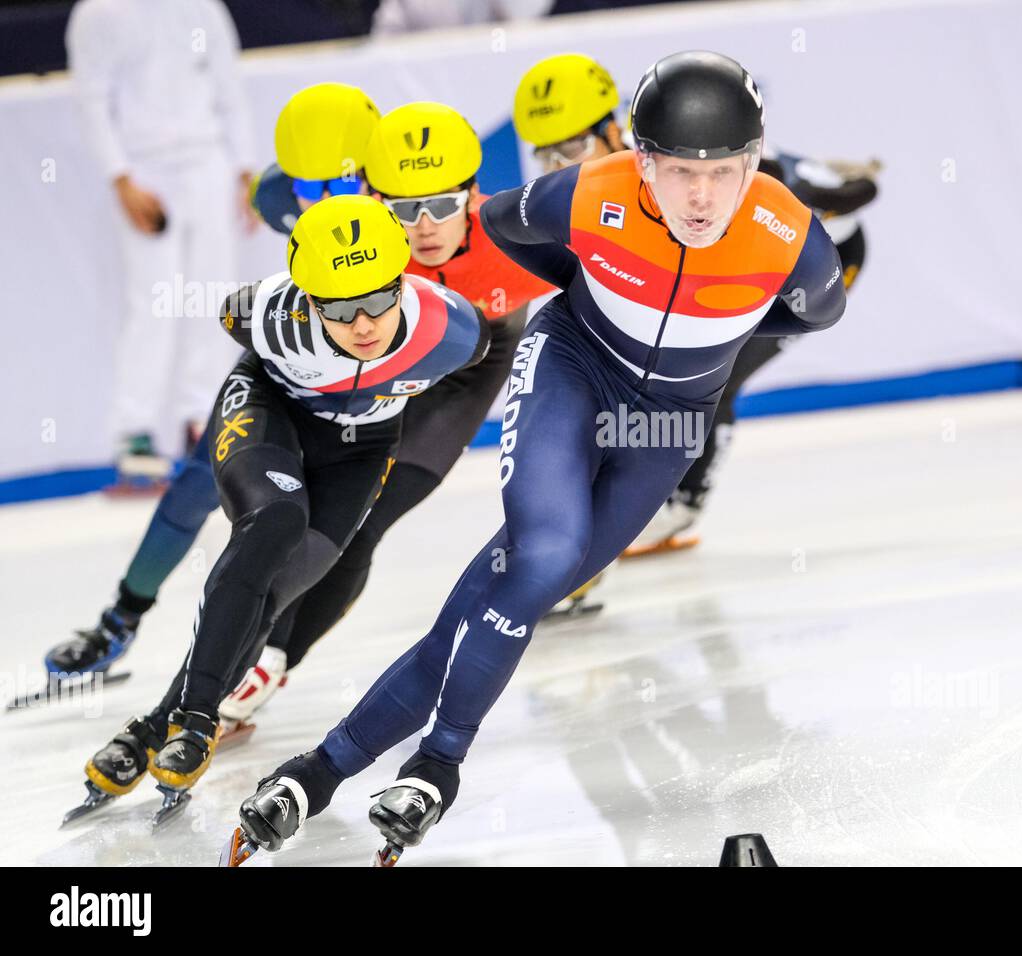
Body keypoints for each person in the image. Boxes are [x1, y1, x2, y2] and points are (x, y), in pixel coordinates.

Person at [227, 50, 847, 866]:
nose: (702, 196)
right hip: (574, 370)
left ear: (754, 163)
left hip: (666, 423)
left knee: (516, 578)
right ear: (640, 158)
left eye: (725, 172)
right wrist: (589, 287)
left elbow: (814, 315)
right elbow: (504, 228)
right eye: (680, 172)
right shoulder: (591, 192)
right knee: (549, 547)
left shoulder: (789, 236)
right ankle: (438, 763)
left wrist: (717, 332)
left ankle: (321, 769)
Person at [67, 196, 491, 824]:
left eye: (378, 299)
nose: (365, 324)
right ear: (309, 300)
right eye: (341, 311)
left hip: (362, 447)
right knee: (273, 523)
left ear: (405, 281)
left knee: (280, 593)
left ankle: (157, 723)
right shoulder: (263, 314)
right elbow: (234, 321)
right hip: (272, 408)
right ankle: (198, 716)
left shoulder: (454, 333)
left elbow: (480, 353)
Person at [219, 101, 554, 730]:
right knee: (314, 515)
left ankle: (270, 660)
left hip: (466, 375)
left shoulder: (520, 240)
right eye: (404, 209)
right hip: (376, 356)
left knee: (366, 525)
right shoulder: (356, 241)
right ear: (373, 199)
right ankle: (237, 645)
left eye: (442, 207)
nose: (425, 228)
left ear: (473, 194)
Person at [40, 83, 383, 693]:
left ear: (376, 176)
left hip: (372, 393)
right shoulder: (275, 192)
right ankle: (122, 617)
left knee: (335, 539)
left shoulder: (404, 202)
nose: (325, 202)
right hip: (289, 369)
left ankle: (258, 665)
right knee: (200, 483)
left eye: (342, 185)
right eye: (313, 189)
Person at [511, 52, 879, 616]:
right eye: (548, 153)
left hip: (805, 271)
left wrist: (833, 188)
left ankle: (682, 502)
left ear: (611, 129)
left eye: (572, 145)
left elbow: (845, 192)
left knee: (714, 372)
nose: (560, 161)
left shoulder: (717, 162)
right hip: (714, 276)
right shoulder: (614, 175)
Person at [66, 0, 256, 480]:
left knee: (212, 295)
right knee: (153, 299)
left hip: (207, 160)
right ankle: (135, 428)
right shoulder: (98, 14)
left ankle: (204, 419)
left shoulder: (201, 7)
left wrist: (245, 170)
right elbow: (91, 99)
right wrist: (120, 178)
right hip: (146, 168)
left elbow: (228, 86)